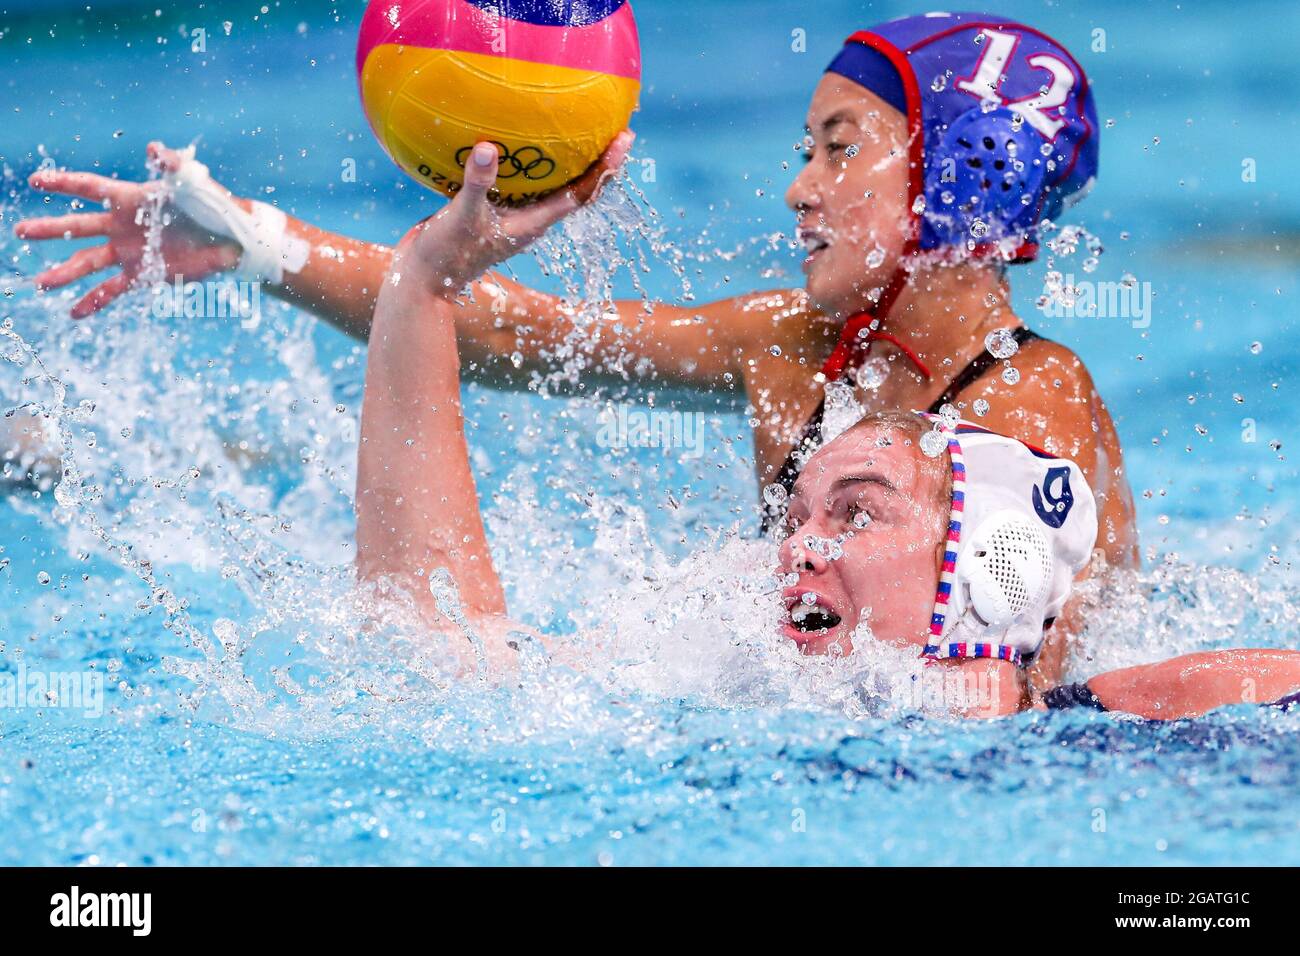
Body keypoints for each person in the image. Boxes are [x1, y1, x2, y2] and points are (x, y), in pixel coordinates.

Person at [15, 12, 1135, 685]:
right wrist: (255, 242)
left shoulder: (1033, 403)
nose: (797, 188)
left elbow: (996, 683)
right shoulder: (794, 345)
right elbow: (513, 331)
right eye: (806, 150)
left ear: (957, 177)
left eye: (839, 150)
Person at [358, 139, 1300, 720]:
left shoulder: (1113, 723)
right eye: (802, 513)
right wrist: (423, 289)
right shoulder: (732, 704)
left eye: (856, 511)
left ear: (987, 560)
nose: (796, 546)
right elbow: (436, 658)